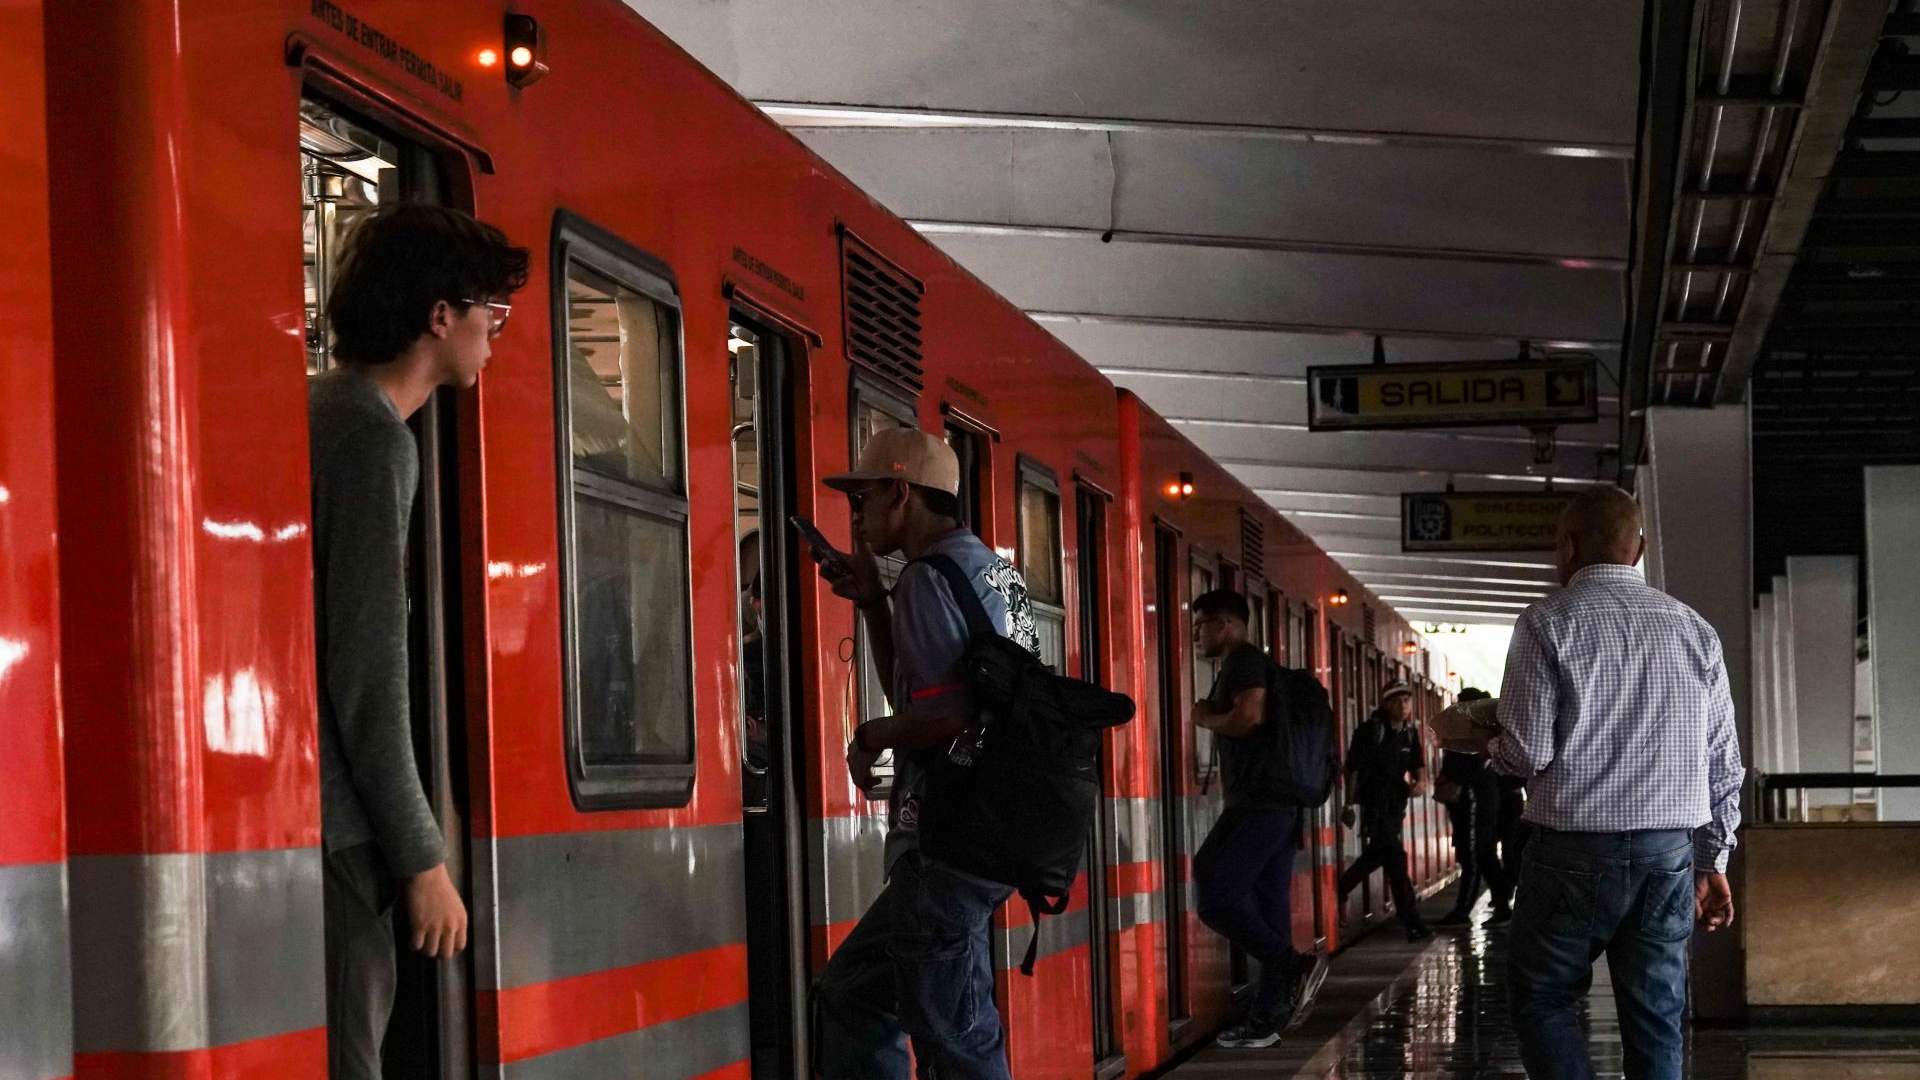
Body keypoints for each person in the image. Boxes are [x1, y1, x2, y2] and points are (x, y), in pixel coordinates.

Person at [309, 202, 527, 1079]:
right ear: (441, 316)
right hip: (344, 839)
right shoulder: (372, 438)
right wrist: (424, 861)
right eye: (491, 314)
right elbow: (365, 673)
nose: (493, 335)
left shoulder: (324, 409)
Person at [1479, 485, 1742, 1080]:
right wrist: (1713, 858)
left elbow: (1526, 751)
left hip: (1571, 851)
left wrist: (1483, 745)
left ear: (1565, 548)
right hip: (1668, 854)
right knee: (1656, 1016)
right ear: (1640, 547)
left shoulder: (1546, 623)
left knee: (1544, 997)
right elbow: (1723, 760)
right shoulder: (1694, 630)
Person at [809, 427, 1040, 1080]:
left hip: (952, 839)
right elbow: (926, 690)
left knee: (938, 1029)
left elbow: (943, 716)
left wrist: (869, 737)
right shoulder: (1000, 573)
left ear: (901, 494)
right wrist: (874, 607)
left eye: (864, 497)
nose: (856, 514)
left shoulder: (926, 578)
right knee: (890, 1002)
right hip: (1001, 824)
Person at [1188, 589, 1331, 1049]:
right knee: (1269, 909)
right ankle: (1267, 1020)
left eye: (1201, 625)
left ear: (1226, 625)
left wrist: (1204, 718)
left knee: (1214, 889)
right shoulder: (1246, 663)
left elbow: (1248, 718)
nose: (1196, 635)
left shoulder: (1243, 662)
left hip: (1259, 804)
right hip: (1278, 806)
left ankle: (1294, 965)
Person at [1336, 681, 1433, 942]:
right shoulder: (1370, 731)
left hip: (1396, 806)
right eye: (1398, 701)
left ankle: (1342, 888)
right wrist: (1347, 804)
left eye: (1407, 701)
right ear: (1386, 703)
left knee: (1378, 855)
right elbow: (1351, 768)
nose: (1404, 706)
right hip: (1374, 805)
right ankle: (1412, 922)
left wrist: (1420, 785)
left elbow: (1420, 771)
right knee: (1396, 860)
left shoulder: (1410, 735)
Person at [1435, 687, 1508, 926]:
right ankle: (1502, 904)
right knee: (1485, 857)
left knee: (1473, 858)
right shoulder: (1477, 734)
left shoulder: (1475, 737)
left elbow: (1468, 769)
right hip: (1478, 802)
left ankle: (1463, 911)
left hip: (1474, 803)